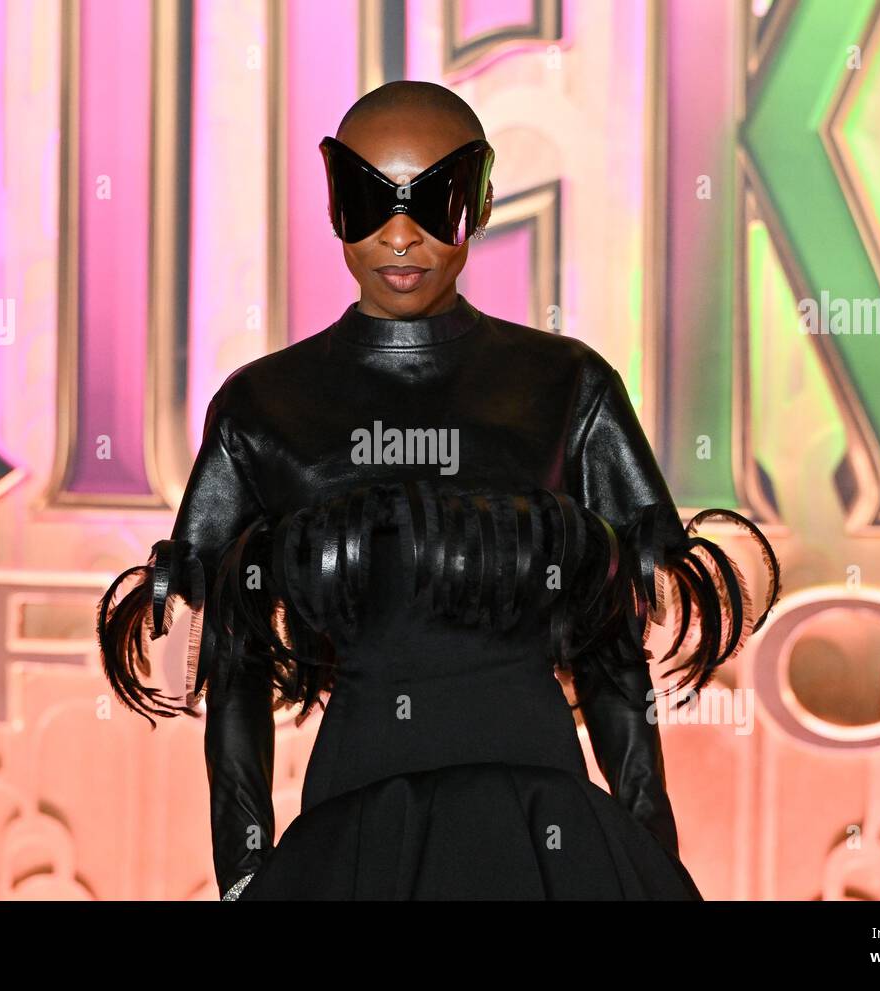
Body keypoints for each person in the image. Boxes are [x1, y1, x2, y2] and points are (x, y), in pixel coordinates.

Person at [97, 81, 780, 901]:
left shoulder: (566, 385)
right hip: (358, 820)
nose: (400, 234)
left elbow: (612, 655)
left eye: (436, 199)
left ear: (483, 200)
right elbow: (235, 672)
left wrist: (648, 851)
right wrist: (244, 870)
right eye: (367, 199)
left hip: (547, 827)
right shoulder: (266, 405)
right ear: (331, 200)